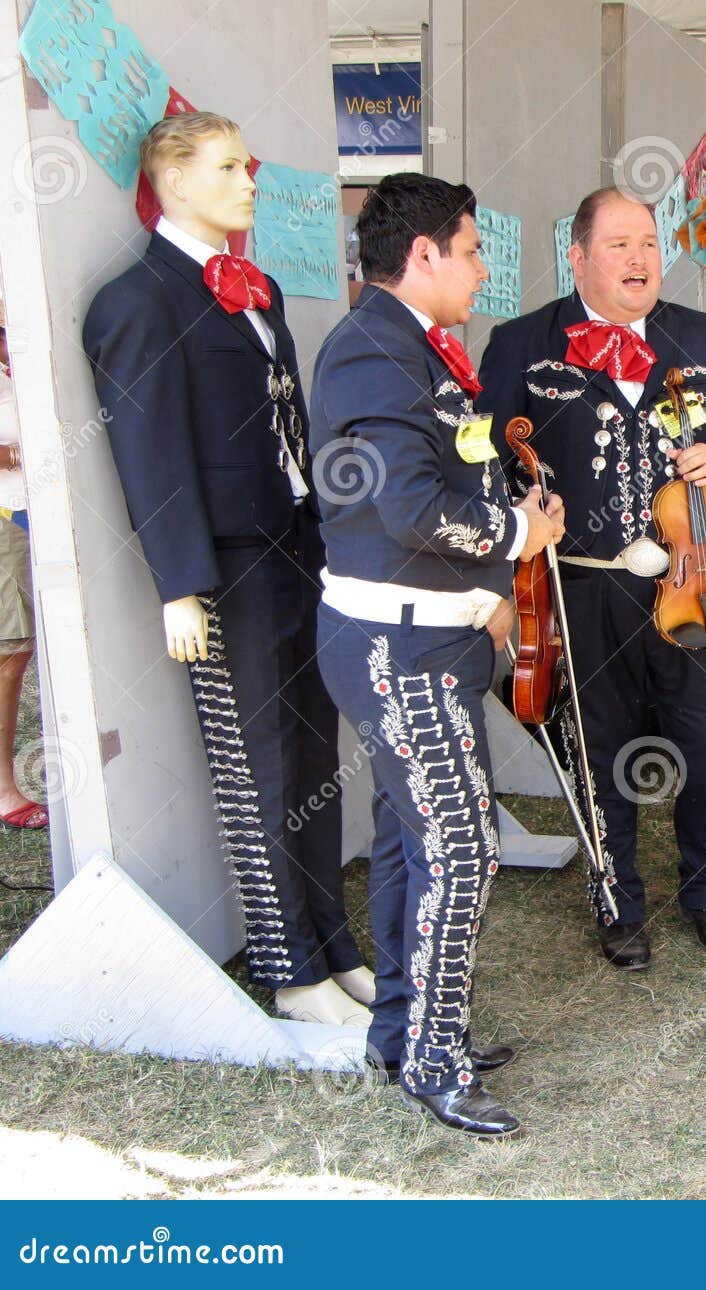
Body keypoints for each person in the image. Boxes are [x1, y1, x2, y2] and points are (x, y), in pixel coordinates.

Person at [82, 113, 371, 1026]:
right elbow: (149, 450)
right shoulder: (138, 301)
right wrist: (180, 583)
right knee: (257, 769)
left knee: (312, 752)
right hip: (225, 568)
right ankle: (289, 971)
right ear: (171, 181)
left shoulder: (258, 290)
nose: (251, 181)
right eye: (229, 167)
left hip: (296, 549)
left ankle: (330, 943)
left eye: (248, 164)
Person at [308, 172, 561, 1137]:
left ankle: (400, 1032)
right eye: (472, 248)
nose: (483, 267)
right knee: (463, 844)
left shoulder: (407, 344)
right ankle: (433, 1058)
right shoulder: (375, 352)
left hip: (432, 632)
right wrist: (518, 535)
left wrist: (498, 562)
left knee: (416, 840)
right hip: (395, 644)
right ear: (425, 256)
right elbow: (412, 509)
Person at [480, 187, 706, 971]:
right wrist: (515, 519)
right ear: (576, 257)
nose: (639, 259)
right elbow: (481, 460)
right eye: (618, 245)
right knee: (599, 747)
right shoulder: (521, 343)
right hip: (583, 587)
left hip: (697, 581)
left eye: (648, 243)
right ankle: (618, 904)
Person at [0, 306, 44, 832]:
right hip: (8, 512)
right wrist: (17, 454)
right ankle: (5, 788)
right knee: (12, 654)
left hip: (44, 508)